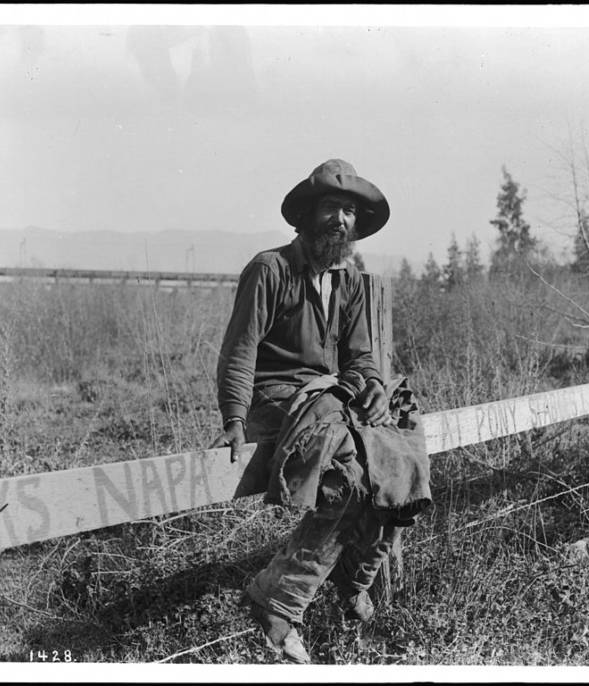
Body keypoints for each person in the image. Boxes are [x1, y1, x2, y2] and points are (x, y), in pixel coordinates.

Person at [211, 159, 399, 663]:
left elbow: (361, 356)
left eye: (350, 211)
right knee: (349, 471)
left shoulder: (351, 281)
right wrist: (233, 417)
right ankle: (278, 603)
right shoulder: (270, 269)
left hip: (327, 399)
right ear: (307, 216)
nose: (341, 219)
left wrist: (374, 387)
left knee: (398, 451)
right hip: (276, 402)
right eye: (331, 207)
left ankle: (356, 574)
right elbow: (240, 349)